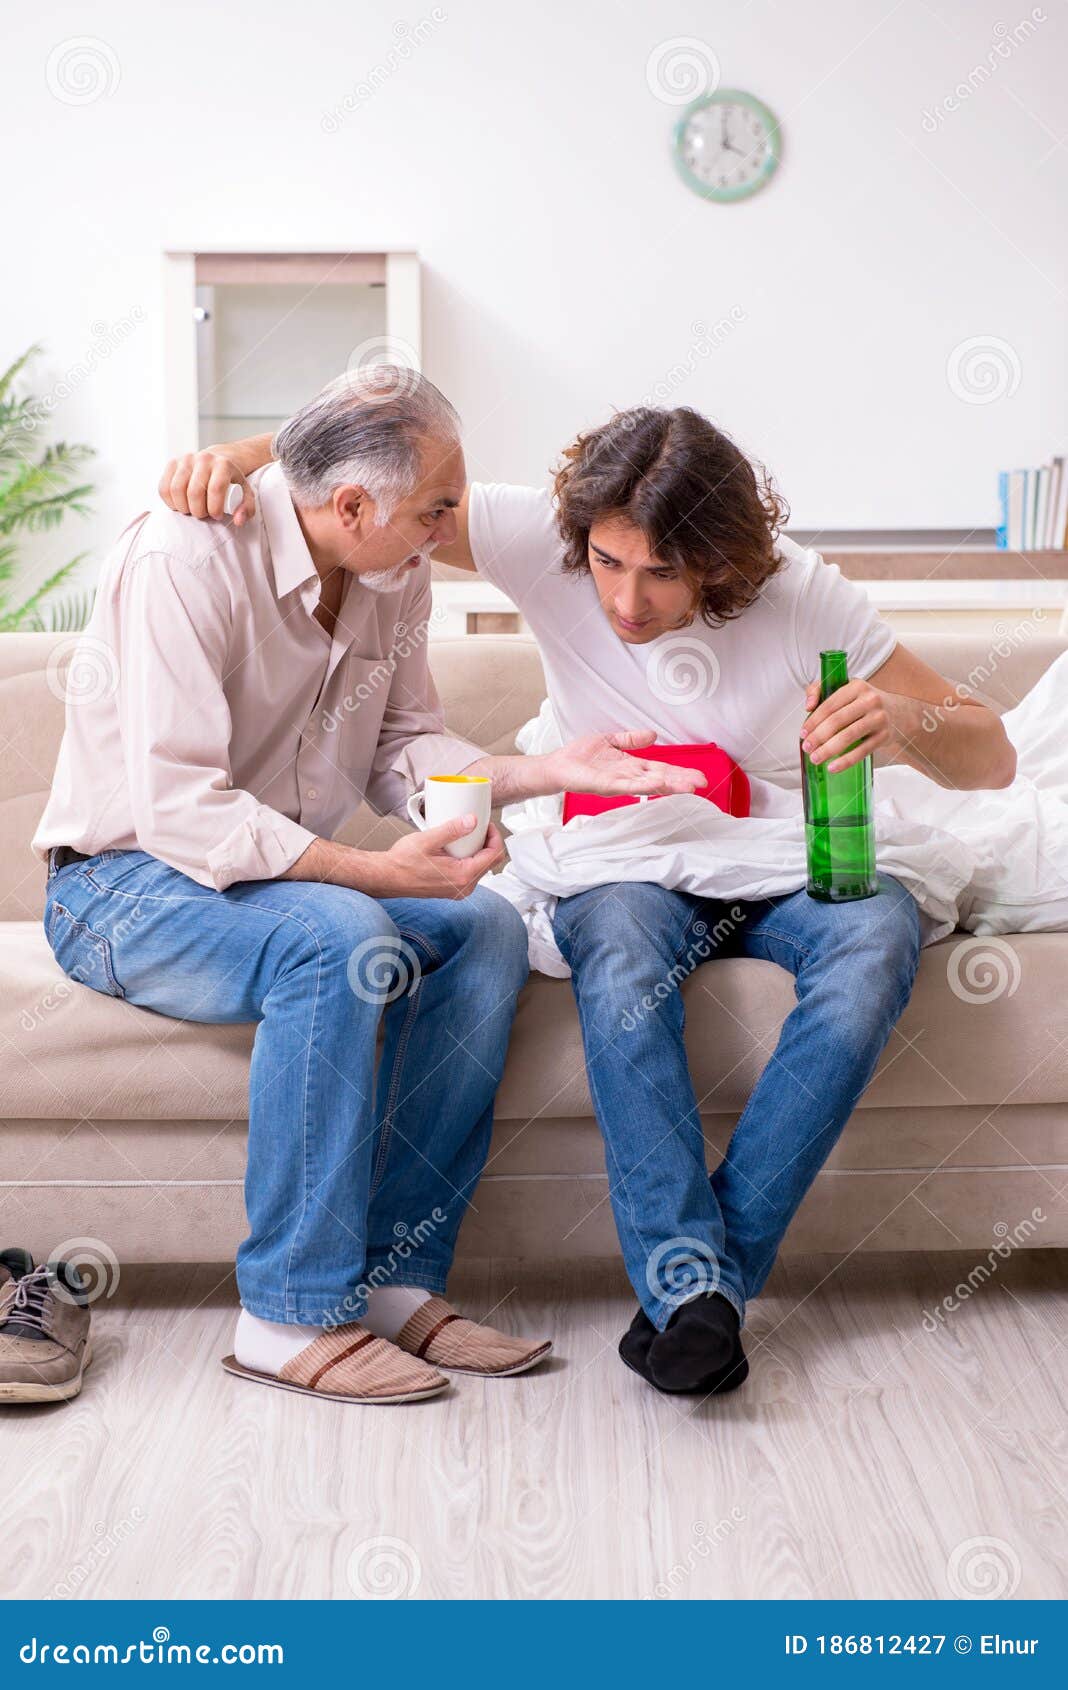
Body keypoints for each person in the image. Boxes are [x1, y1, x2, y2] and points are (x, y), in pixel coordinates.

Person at [159, 400, 1016, 1398]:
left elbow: (993, 755)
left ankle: (696, 1290)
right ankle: (696, 1293)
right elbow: (376, 478)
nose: (626, 600)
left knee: (877, 940)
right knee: (619, 949)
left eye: (662, 573)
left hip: (776, 853)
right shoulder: (542, 536)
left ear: (724, 561)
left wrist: (904, 719)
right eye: (609, 563)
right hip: (622, 851)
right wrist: (243, 455)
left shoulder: (802, 593)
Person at [34, 371, 704, 1407]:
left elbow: (402, 744)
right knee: (337, 934)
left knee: (483, 928)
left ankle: (394, 1280)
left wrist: (547, 770)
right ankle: (286, 1315)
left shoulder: (391, 569)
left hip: (261, 889)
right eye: (436, 509)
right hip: (122, 887)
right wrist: (375, 870)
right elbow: (181, 810)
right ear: (351, 505)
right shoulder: (183, 561)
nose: (447, 531)